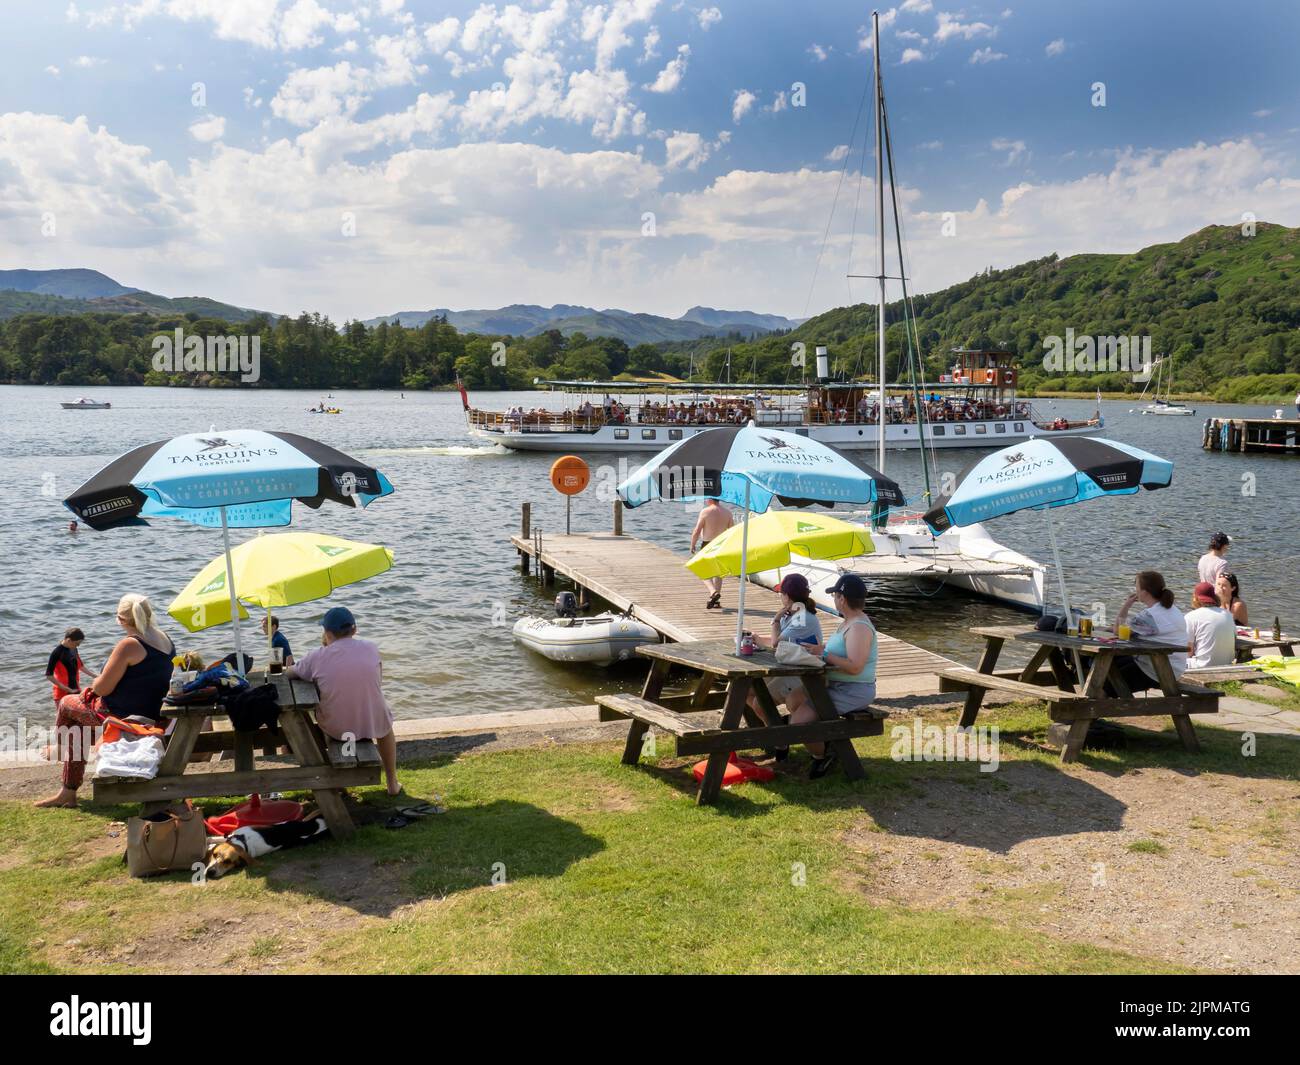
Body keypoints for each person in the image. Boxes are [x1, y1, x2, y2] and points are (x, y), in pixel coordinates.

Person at [37, 594, 175, 809]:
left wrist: (95, 684)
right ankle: (66, 783)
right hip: (154, 713)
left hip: (123, 717)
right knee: (78, 727)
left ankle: (64, 767)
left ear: (121, 620)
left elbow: (102, 688)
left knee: (66, 704)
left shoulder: (129, 645)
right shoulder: (165, 639)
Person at [287, 607, 400, 797]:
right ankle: (392, 783)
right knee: (386, 727)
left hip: (338, 729)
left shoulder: (317, 655)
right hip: (372, 723)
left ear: (327, 633)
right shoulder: (371, 648)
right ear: (354, 630)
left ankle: (337, 784)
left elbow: (291, 673)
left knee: (322, 713)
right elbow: (377, 681)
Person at [784, 574, 877, 779]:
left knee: (798, 724)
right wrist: (818, 648)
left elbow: (855, 667)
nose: (834, 599)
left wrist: (824, 654)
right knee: (793, 699)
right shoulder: (848, 622)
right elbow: (838, 648)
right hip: (834, 684)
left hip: (853, 690)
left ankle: (823, 755)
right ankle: (823, 740)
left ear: (842, 599)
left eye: (835, 595)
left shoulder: (859, 627)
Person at [748, 574, 823, 739]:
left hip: (803, 673)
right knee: (747, 689)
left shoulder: (801, 617)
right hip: (789, 667)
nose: (780, 597)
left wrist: (775, 620)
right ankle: (778, 730)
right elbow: (781, 641)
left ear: (787, 596)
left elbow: (776, 644)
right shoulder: (793, 614)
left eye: (781, 593)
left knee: (760, 703)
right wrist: (758, 639)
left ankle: (780, 739)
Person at [1110, 571, 1187, 693]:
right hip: (1174, 667)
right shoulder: (1172, 609)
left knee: (1104, 682)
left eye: (1137, 588)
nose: (1136, 591)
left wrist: (1126, 605)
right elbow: (1136, 630)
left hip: (1157, 670)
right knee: (1112, 665)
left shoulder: (1149, 616)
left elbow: (1117, 631)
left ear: (1144, 592)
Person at [690, 499, 733, 609]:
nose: (704, 500)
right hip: (721, 545)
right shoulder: (727, 512)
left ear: (709, 499)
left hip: (708, 544)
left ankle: (713, 591)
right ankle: (716, 601)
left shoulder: (705, 511)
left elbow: (697, 530)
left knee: (701, 570)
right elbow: (732, 532)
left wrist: (692, 544)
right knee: (718, 572)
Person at [1185, 582, 1236, 670]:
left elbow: (1188, 651)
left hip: (1202, 667)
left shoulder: (1191, 616)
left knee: (1172, 659)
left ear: (1196, 599)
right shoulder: (1228, 614)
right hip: (1227, 665)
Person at [46, 627, 87, 708]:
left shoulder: (74, 649)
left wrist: (97, 676)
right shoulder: (56, 652)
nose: (78, 646)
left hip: (76, 689)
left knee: (78, 718)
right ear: (68, 640)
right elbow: (49, 675)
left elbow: (80, 666)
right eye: (77, 643)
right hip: (62, 692)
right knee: (62, 719)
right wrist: (66, 688)